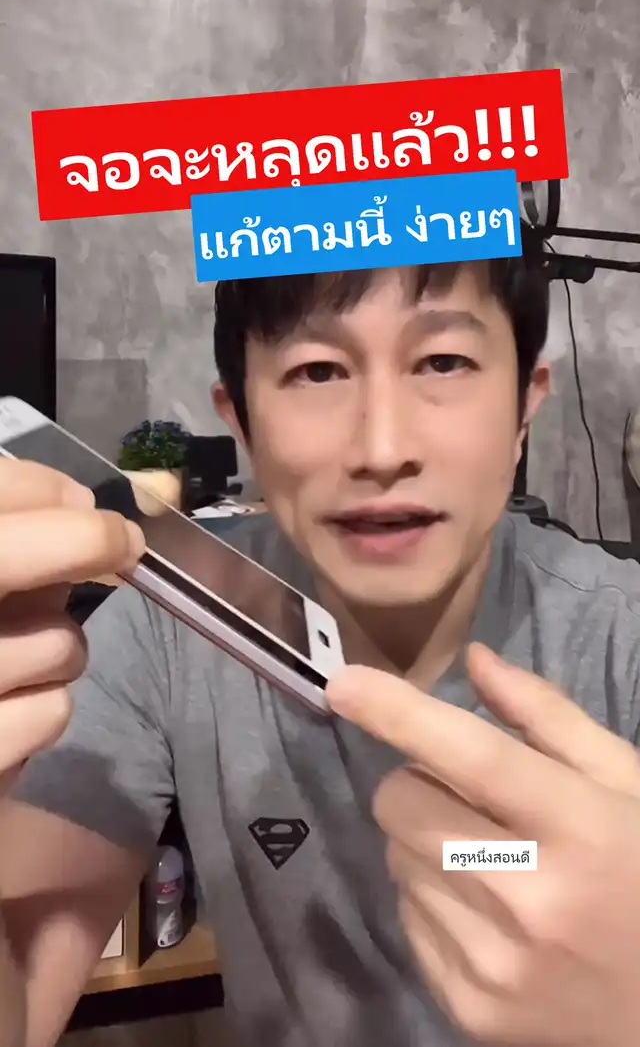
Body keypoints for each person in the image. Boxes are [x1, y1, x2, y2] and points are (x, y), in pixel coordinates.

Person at [1, 232, 640, 1047]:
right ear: (241, 420)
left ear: (524, 406)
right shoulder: (164, 630)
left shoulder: (622, 640)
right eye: (317, 372)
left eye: (443, 361)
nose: (382, 449)